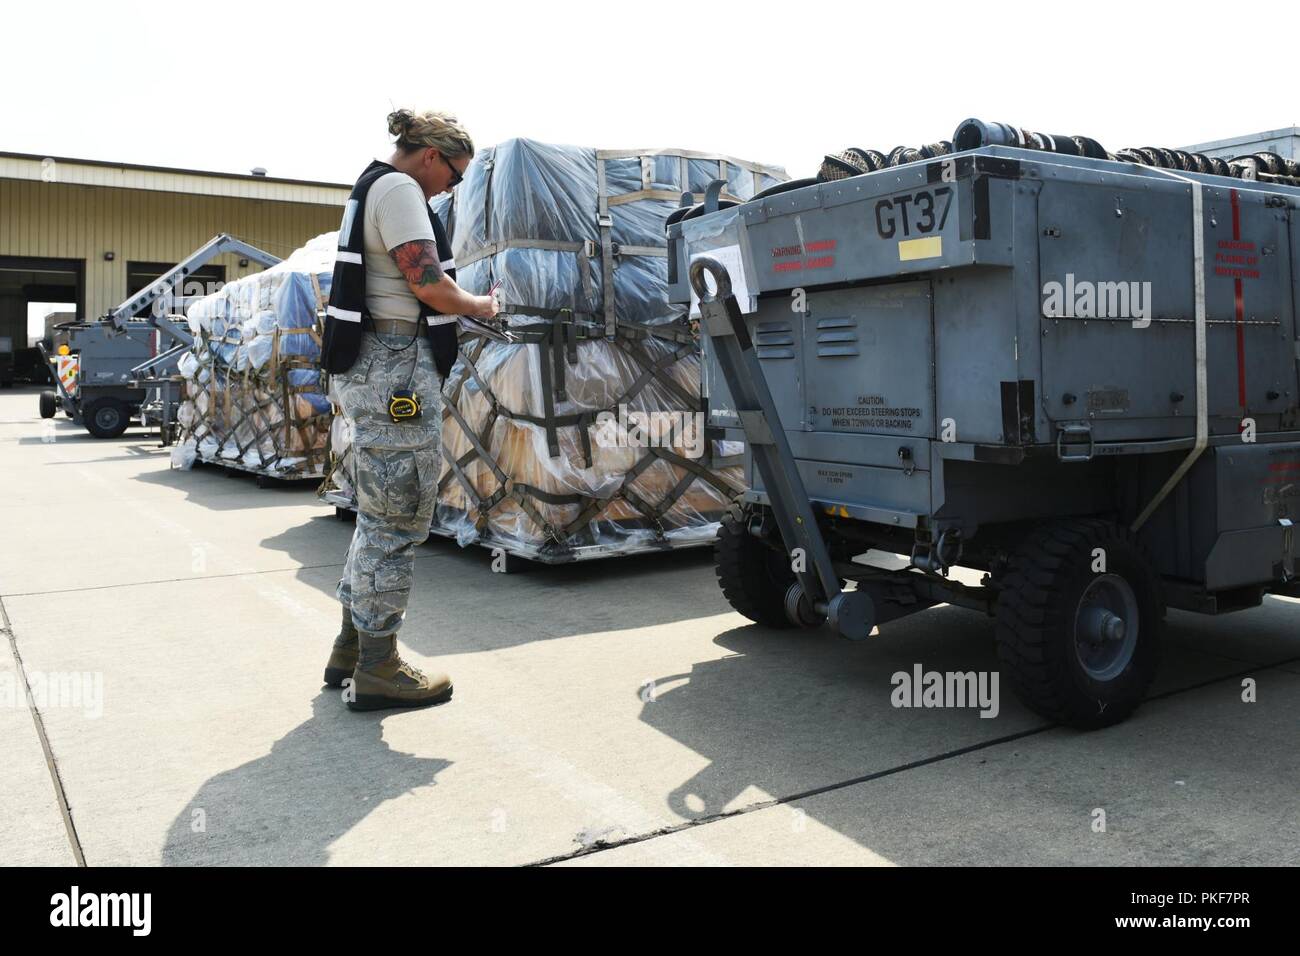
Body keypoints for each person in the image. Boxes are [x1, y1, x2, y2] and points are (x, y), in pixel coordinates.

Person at [319, 108, 498, 711]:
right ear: (430, 155)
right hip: (394, 364)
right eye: (454, 172)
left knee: (377, 510)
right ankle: (380, 667)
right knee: (398, 513)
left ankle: (351, 647)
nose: (452, 186)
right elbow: (425, 282)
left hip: (373, 364)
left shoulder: (372, 185)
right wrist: (479, 305)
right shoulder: (399, 189)